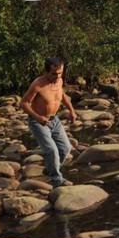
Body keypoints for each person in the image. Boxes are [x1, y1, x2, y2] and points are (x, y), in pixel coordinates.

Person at [21, 57, 78, 186]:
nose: (57, 76)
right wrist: (37, 117)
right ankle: (56, 180)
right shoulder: (38, 84)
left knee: (65, 148)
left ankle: (50, 170)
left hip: (54, 120)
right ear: (46, 72)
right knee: (52, 151)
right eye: (54, 73)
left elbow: (62, 96)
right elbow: (24, 103)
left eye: (60, 73)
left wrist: (72, 111)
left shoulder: (59, 81)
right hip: (38, 121)